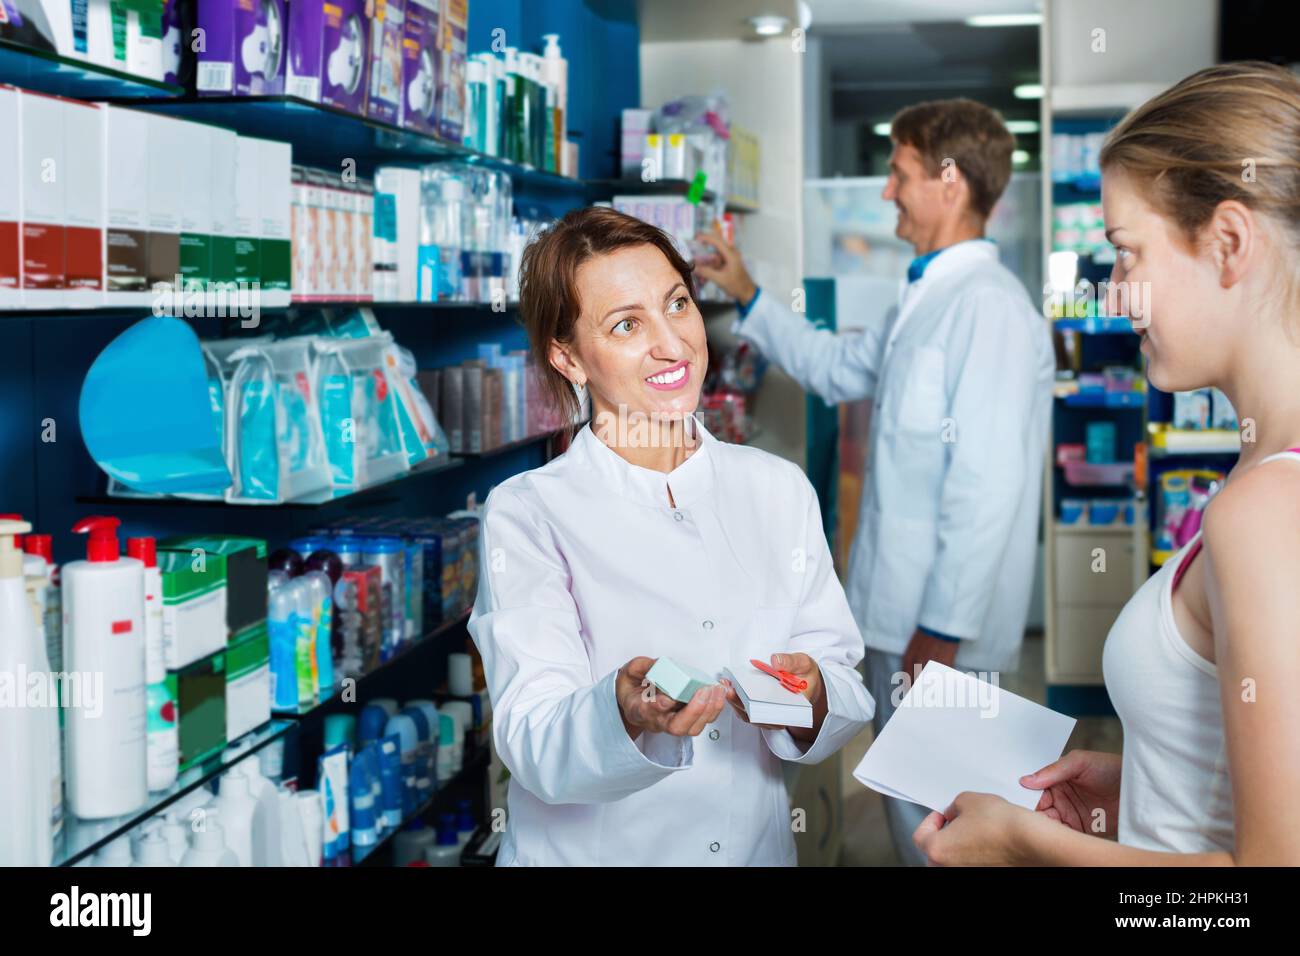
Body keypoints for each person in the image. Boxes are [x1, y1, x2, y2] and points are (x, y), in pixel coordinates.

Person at [912, 62, 1300, 866]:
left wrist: (1025, 845)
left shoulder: (1266, 512)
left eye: (1128, 255)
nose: (1117, 296)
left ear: (1228, 242)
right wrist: (1151, 786)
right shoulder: (1262, 471)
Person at [695, 99, 1054, 864]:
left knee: (951, 830)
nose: (886, 192)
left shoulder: (988, 309)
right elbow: (833, 368)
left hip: (942, 630)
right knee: (915, 815)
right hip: (899, 619)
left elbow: (986, 485)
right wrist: (750, 293)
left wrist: (944, 630)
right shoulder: (921, 302)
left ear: (948, 183)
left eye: (898, 173)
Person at [468, 206, 875, 866]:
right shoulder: (529, 512)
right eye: (626, 324)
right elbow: (531, 736)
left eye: (677, 303)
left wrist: (815, 693)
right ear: (567, 357)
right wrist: (624, 712)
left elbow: (844, 685)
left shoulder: (777, 489)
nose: (673, 343)